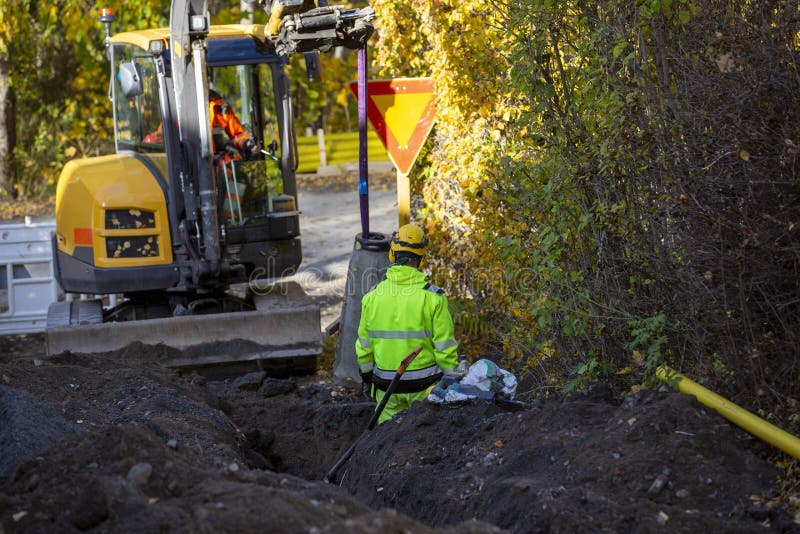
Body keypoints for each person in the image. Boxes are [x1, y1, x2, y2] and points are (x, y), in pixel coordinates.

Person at [355, 223, 459, 425]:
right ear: (421, 259)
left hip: (387, 389)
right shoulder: (434, 298)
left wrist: (367, 377)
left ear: (392, 255)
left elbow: (363, 348)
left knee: (386, 440)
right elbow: (445, 350)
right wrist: (453, 378)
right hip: (424, 389)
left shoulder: (372, 297)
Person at [143, 88, 260, 156]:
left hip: (217, 167)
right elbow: (162, 139)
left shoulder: (220, 108)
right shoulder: (179, 109)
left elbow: (238, 135)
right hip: (188, 168)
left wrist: (246, 143)